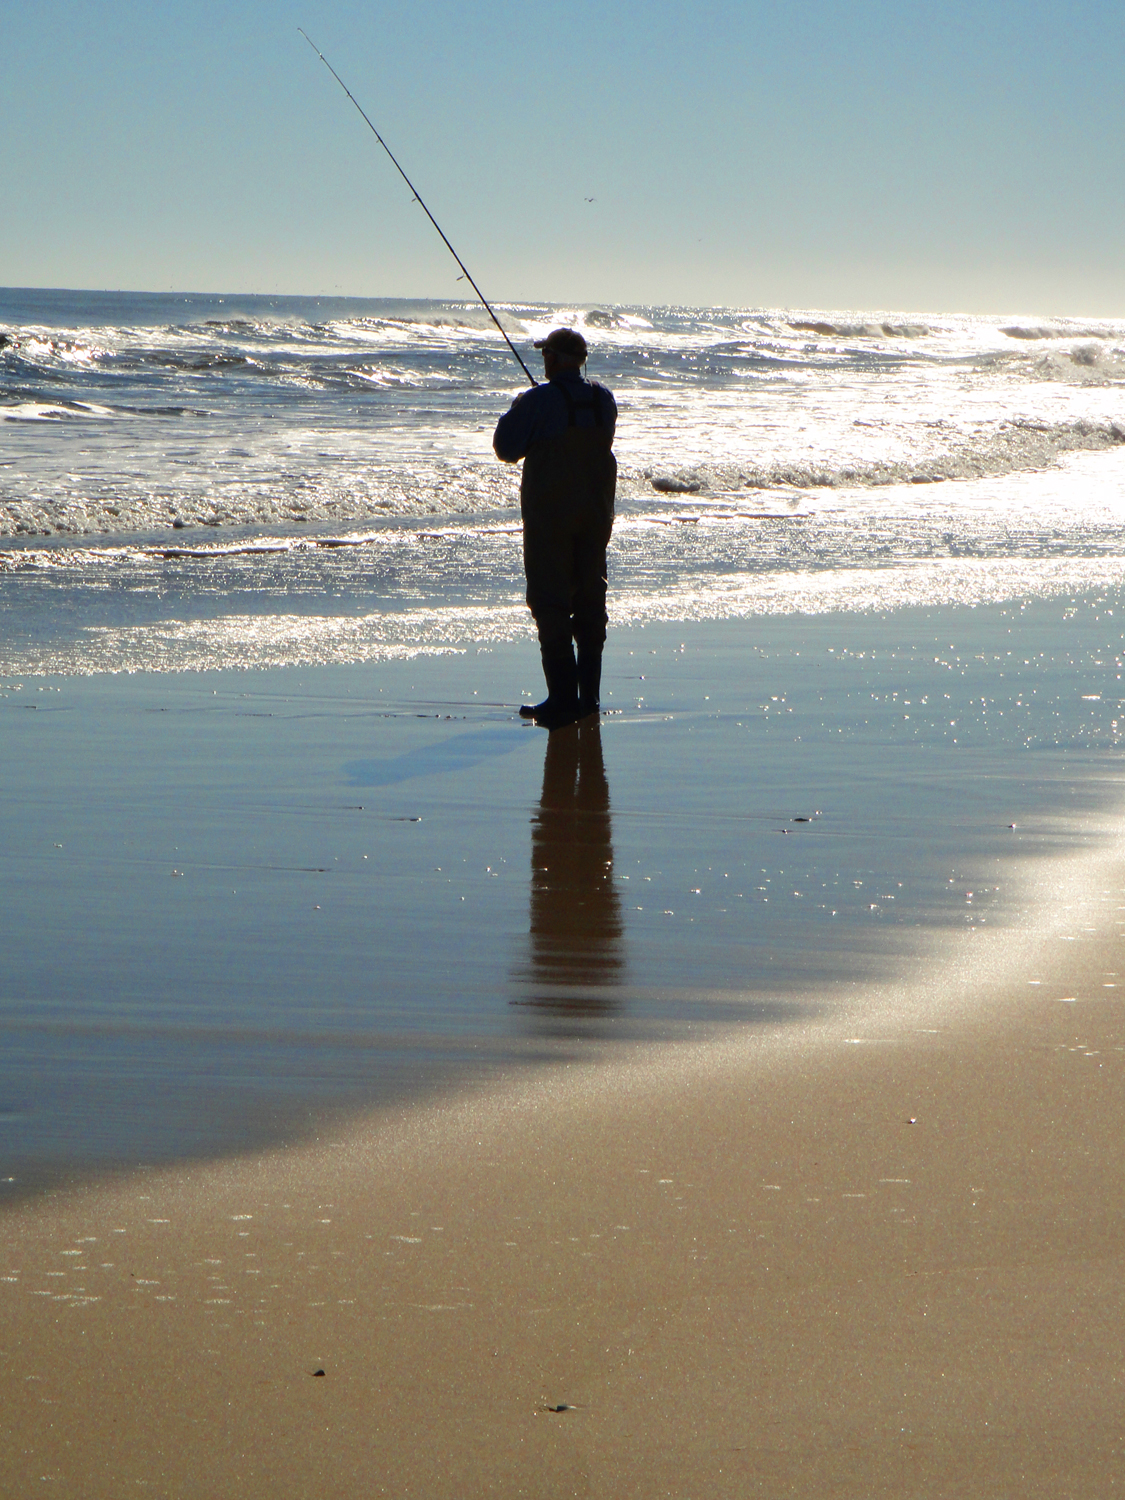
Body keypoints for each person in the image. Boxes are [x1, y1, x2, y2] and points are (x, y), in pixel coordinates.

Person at [493, 327, 617, 729]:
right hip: (597, 517)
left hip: (551, 518)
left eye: (546, 354)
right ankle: (589, 698)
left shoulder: (539, 400)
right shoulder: (604, 400)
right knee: (590, 603)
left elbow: (506, 448)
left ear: (555, 359)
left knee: (550, 603)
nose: (542, 360)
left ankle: (561, 699)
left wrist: (517, 407)